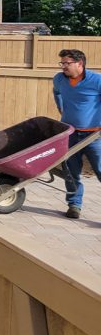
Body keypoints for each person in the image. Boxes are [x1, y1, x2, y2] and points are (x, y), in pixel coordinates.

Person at [52, 49, 101, 219]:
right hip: (70, 134)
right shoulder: (59, 79)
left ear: (80, 63)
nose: (63, 66)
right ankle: (74, 205)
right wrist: (60, 107)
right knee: (71, 172)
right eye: (62, 63)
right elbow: (56, 92)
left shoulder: (96, 81)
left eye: (67, 63)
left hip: (94, 136)